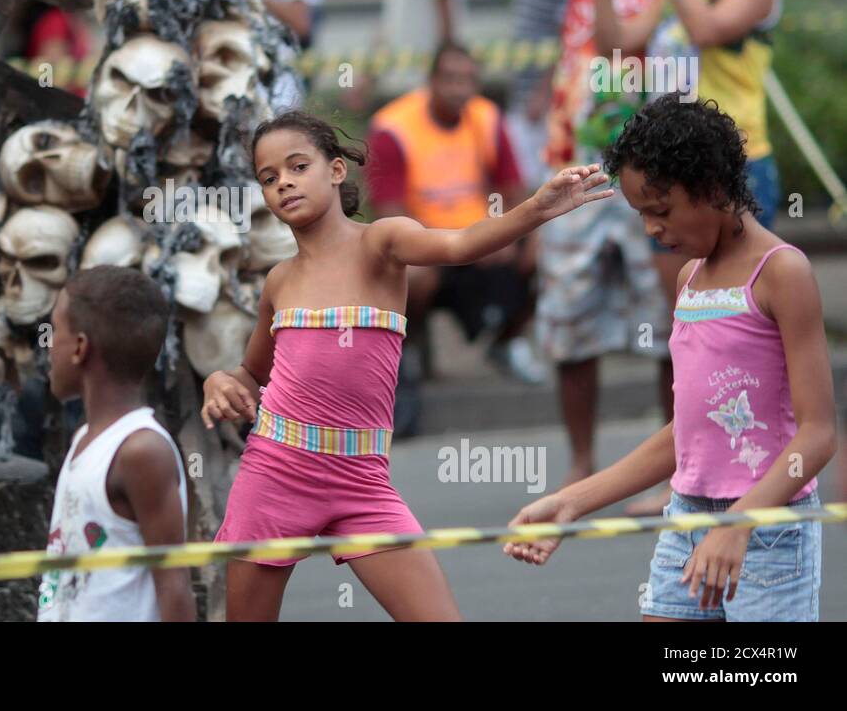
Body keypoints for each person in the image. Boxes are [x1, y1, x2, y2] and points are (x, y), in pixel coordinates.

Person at [200, 110, 614, 621]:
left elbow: (461, 244)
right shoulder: (279, 282)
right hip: (275, 473)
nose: (283, 181)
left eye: (297, 166)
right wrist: (220, 381)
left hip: (362, 482)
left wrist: (536, 210)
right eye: (268, 177)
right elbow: (249, 373)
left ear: (335, 171)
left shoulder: (382, 242)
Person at [503, 96, 836, 622]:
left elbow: (816, 436)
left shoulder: (781, 273)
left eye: (660, 211)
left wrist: (740, 523)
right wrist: (571, 502)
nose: (651, 230)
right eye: (641, 215)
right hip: (687, 517)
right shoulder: (689, 281)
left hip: (769, 531)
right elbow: (685, 434)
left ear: (713, 189)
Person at [483, 0, 704, 511]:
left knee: (674, 324)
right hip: (578, 166)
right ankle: (581, 461)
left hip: (661, 173)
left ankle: (679, 462)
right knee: (571, 316)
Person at [593, 0, 784, 231]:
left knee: (734, 286)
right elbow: (613, 45)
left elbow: (706, 29)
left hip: (734, 162)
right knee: (682, 289)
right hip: (666, 165)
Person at [368, 42, 544, 390]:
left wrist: (508, 234)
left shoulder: (487, 117)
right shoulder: (392, 127)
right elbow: (390, 216)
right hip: (426, 245)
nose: (458, 89)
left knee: (547, 257)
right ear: (430, 80)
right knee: (414, 276)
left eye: (467, 80)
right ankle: (409, 353)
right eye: (450, 79)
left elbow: (513, 191)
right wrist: (469, 238)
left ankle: (507, 342)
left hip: (481, 243)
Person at [37, 265, 195, 622]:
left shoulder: (140, 452)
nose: (46, 345)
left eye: (54, 332)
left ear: (79, 347)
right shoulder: (85, 439)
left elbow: (175, 586)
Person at [506, 0, 570, 192]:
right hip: (523, 85)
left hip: (546, 94)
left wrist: (544, 90)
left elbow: (569, 31)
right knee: (522, 182)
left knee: (544, 183)